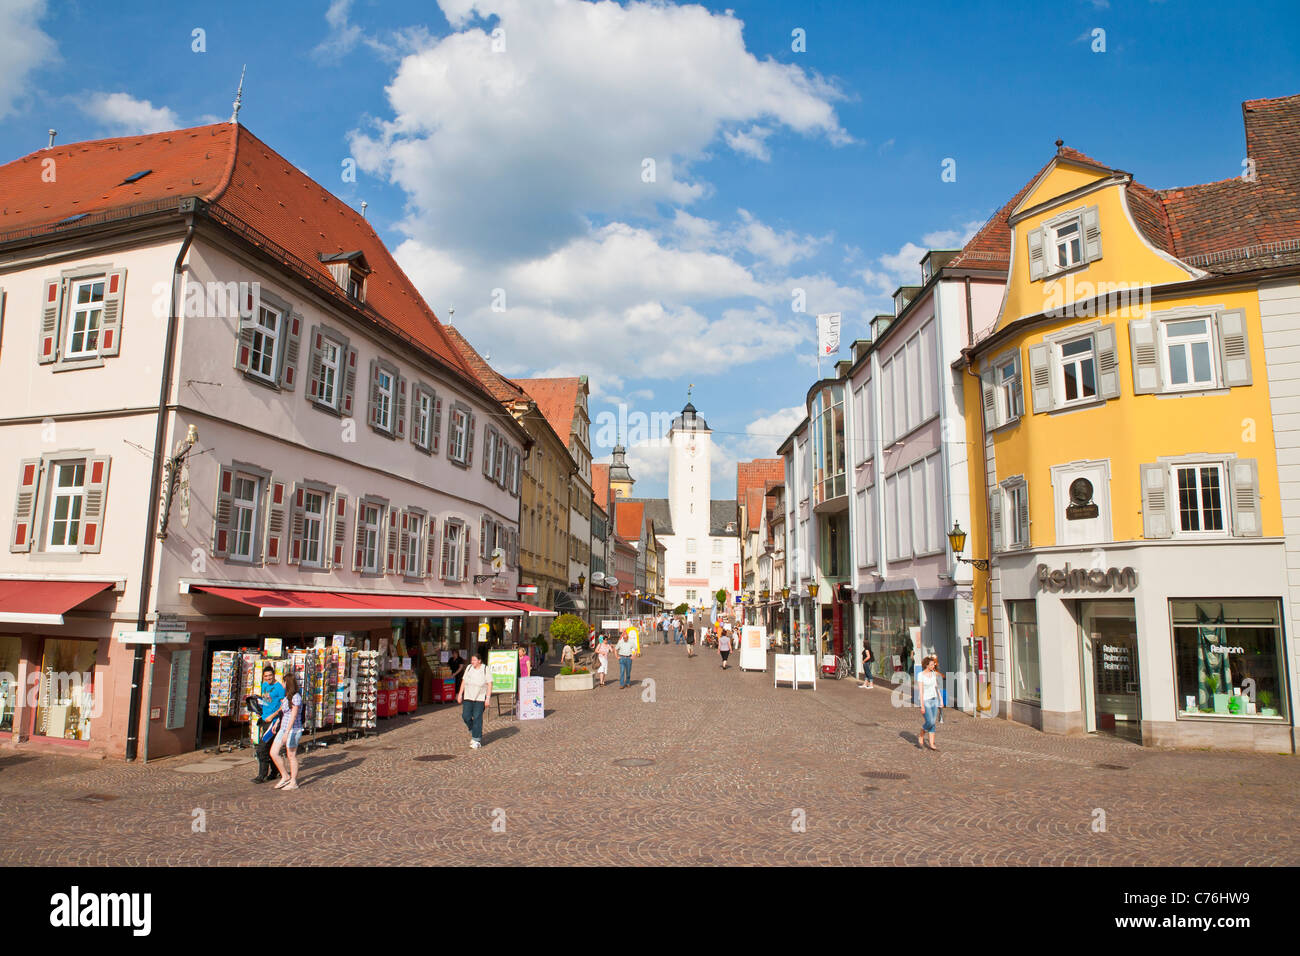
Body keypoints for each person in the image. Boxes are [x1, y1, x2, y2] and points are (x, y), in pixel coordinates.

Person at [270, 672, 304, 790]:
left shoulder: (296, 697)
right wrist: (278, 724)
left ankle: (293, 781)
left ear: (287, 683)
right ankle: (285, 775)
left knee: (291, 755)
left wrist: (287, 732)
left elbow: (293, 716)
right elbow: (285, 713)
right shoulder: (286, 697)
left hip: (293, 730)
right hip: (283, 728)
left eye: (284, 682)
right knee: (274, 752)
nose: (282, 684)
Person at [252, 665, 284, 784]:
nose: (268, 678)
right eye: (266, 676)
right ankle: (275, 771)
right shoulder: (264, 685)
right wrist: (260, 711)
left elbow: (283, 706)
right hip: (264, 720)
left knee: (262, 747)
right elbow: (266, 701)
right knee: (270, 748)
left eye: (270, 675)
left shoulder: (279, 687)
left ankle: (262, 775)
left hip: (273, 722)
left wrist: (273, 715)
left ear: (274, 675)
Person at [457, 653, 492, 749]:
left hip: (480, 698)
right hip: (468, 696)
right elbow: (464, 681)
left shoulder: (485, 669)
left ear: (479, 661)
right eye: (472, 660)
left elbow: (489, 684)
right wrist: (460, 694)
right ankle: (474, 730)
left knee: (477, 717)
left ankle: (476, 739)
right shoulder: (469, 668)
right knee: (466, 716)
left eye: (474, 660)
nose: (472, 662)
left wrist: (488, 698)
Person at [918, 655, 942, 752]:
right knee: (930, 721)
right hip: (926, 700)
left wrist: (940, 700)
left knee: (933, 722)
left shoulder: (933, 673)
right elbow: (921, 691)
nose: (933, 666)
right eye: (932, 664)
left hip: (934, 699)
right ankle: (921, 733)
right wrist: (922, 705)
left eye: (934, 664)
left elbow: (936, 687)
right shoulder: (921, 675)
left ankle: (932, 744)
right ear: (927, 665)